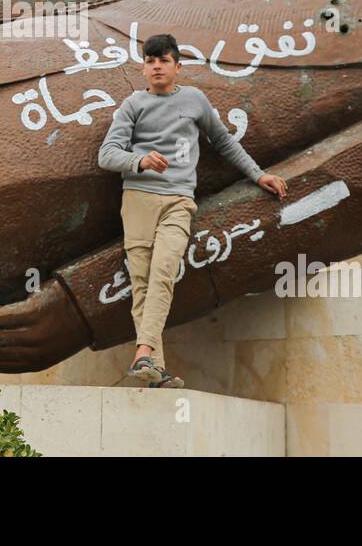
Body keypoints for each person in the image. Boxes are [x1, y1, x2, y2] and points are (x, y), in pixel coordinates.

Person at [97, 33, 288, 388]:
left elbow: (225, 142)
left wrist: (258, 175)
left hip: (178, 201)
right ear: (143, 68)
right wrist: (139, 160)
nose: (156, 66)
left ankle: (142, 352)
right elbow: (106, 155)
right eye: (150, 61)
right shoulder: (133, 105)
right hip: (137, 199)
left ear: (177, 67)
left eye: (164, 60)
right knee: (141, 283)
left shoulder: (195, 101)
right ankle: (155, 371)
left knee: (164, 272)